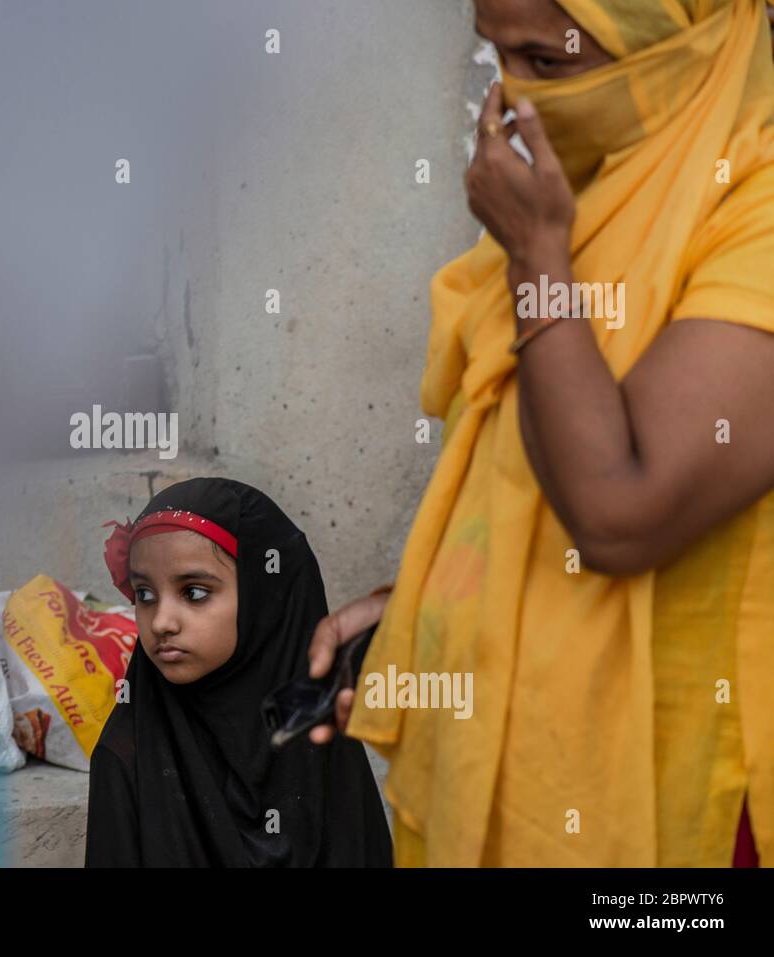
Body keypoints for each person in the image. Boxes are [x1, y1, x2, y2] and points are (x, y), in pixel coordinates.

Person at [309, 0, 774, 867]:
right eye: (497, 59)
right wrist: (423, 603)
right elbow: (524, 476)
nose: (513, 101)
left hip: (688, 816)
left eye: (546, 63)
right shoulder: (595, 183)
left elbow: (617, 508)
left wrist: (536, 260)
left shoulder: (751, 212)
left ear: (678, 46)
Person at [84, 477, 392, 867]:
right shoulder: (129, 755)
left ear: (264, 597)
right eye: (144, 594)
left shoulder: (316, 732)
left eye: (194, 592)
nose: (161, 621)